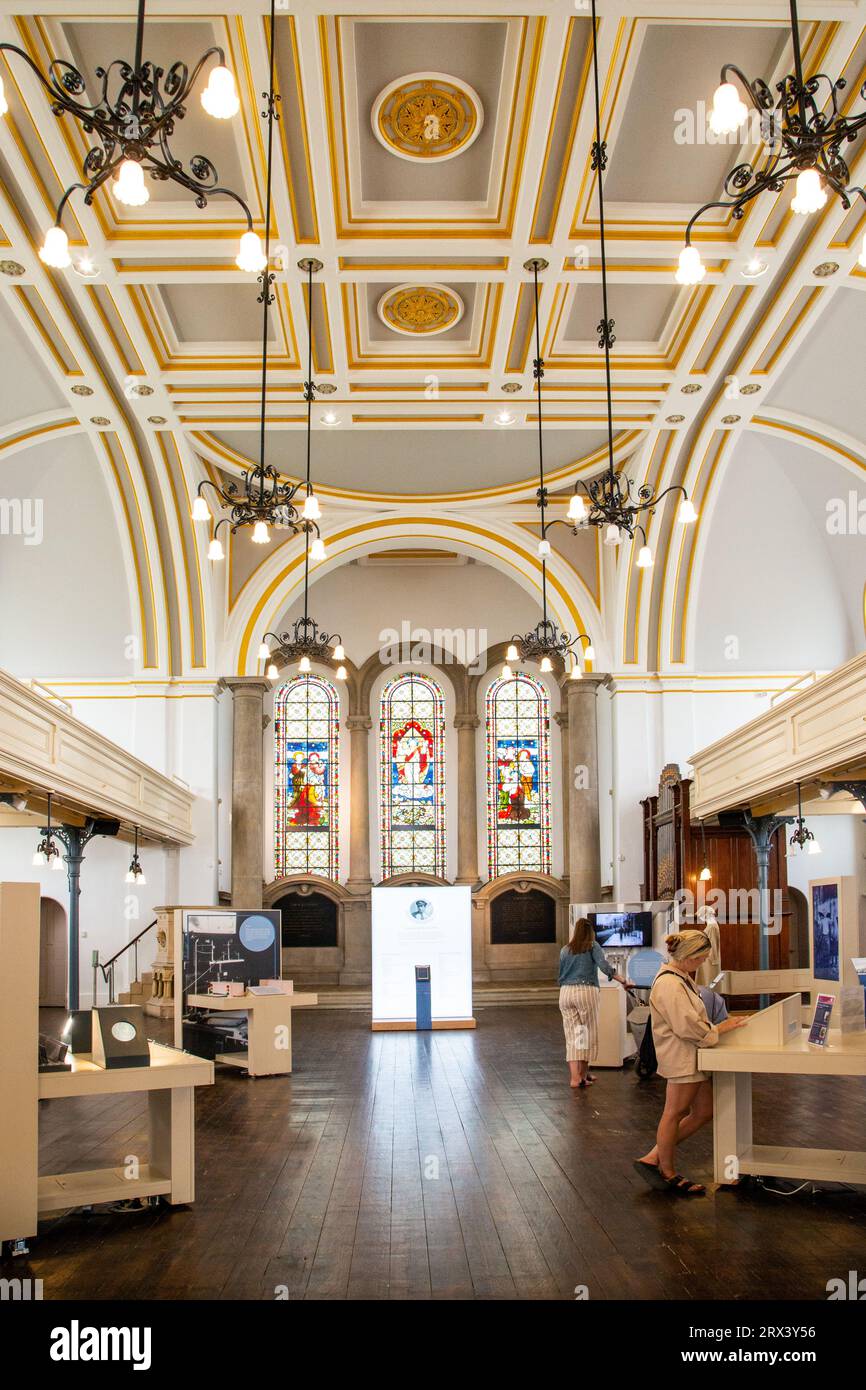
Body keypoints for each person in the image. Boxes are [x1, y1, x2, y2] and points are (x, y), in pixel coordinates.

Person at [633, 929, 747, 1196]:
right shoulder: (670, 984)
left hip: (692, 1055)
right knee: (674, 1112)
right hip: (682, 1056)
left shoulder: (679, 978)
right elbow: (688, 1027)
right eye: (702, 958)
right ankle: (667, 1171)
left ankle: (654, 1157)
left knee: (704, 1111)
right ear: (689, 956)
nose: (704, 962)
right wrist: (721, 1029)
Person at [558, 918, 629, 1089]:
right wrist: (623, 980)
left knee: (573, 1036)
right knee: (586, 1033)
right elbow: (604, 966)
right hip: (585, 991)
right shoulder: (592, 945)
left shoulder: (565, 949)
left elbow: (560, 973)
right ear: (591, 931)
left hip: (565, 992)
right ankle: (581, 1075)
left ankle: (577, 1077)